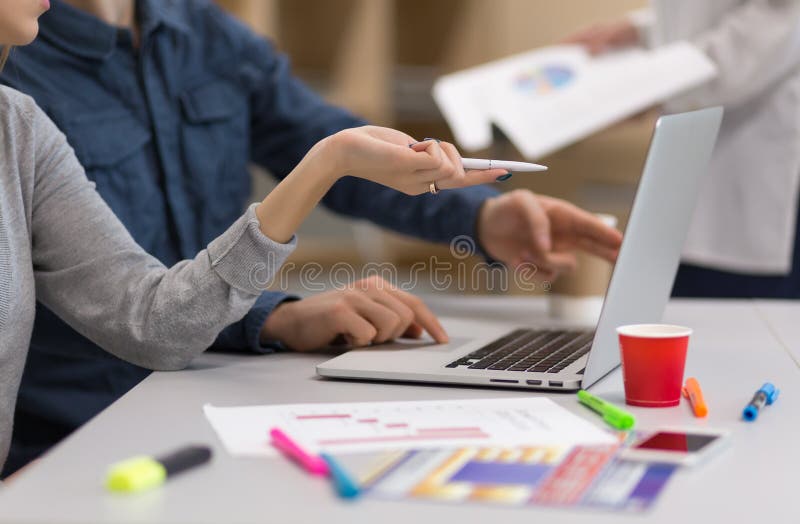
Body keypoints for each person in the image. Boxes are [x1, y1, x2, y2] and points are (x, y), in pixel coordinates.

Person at [1, 0, 623, 476]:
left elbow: (328, 142)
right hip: (78, 424)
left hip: (210, 385)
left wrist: (481, 219)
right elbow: (104, 295)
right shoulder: (20, 59)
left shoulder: (201, 34)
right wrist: (270, 318)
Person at [565, 1, 800, 298]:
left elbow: (772, 27)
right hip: (695, 173)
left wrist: (640, 91)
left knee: (744, 326)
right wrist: (642, 31)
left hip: (753, 175)